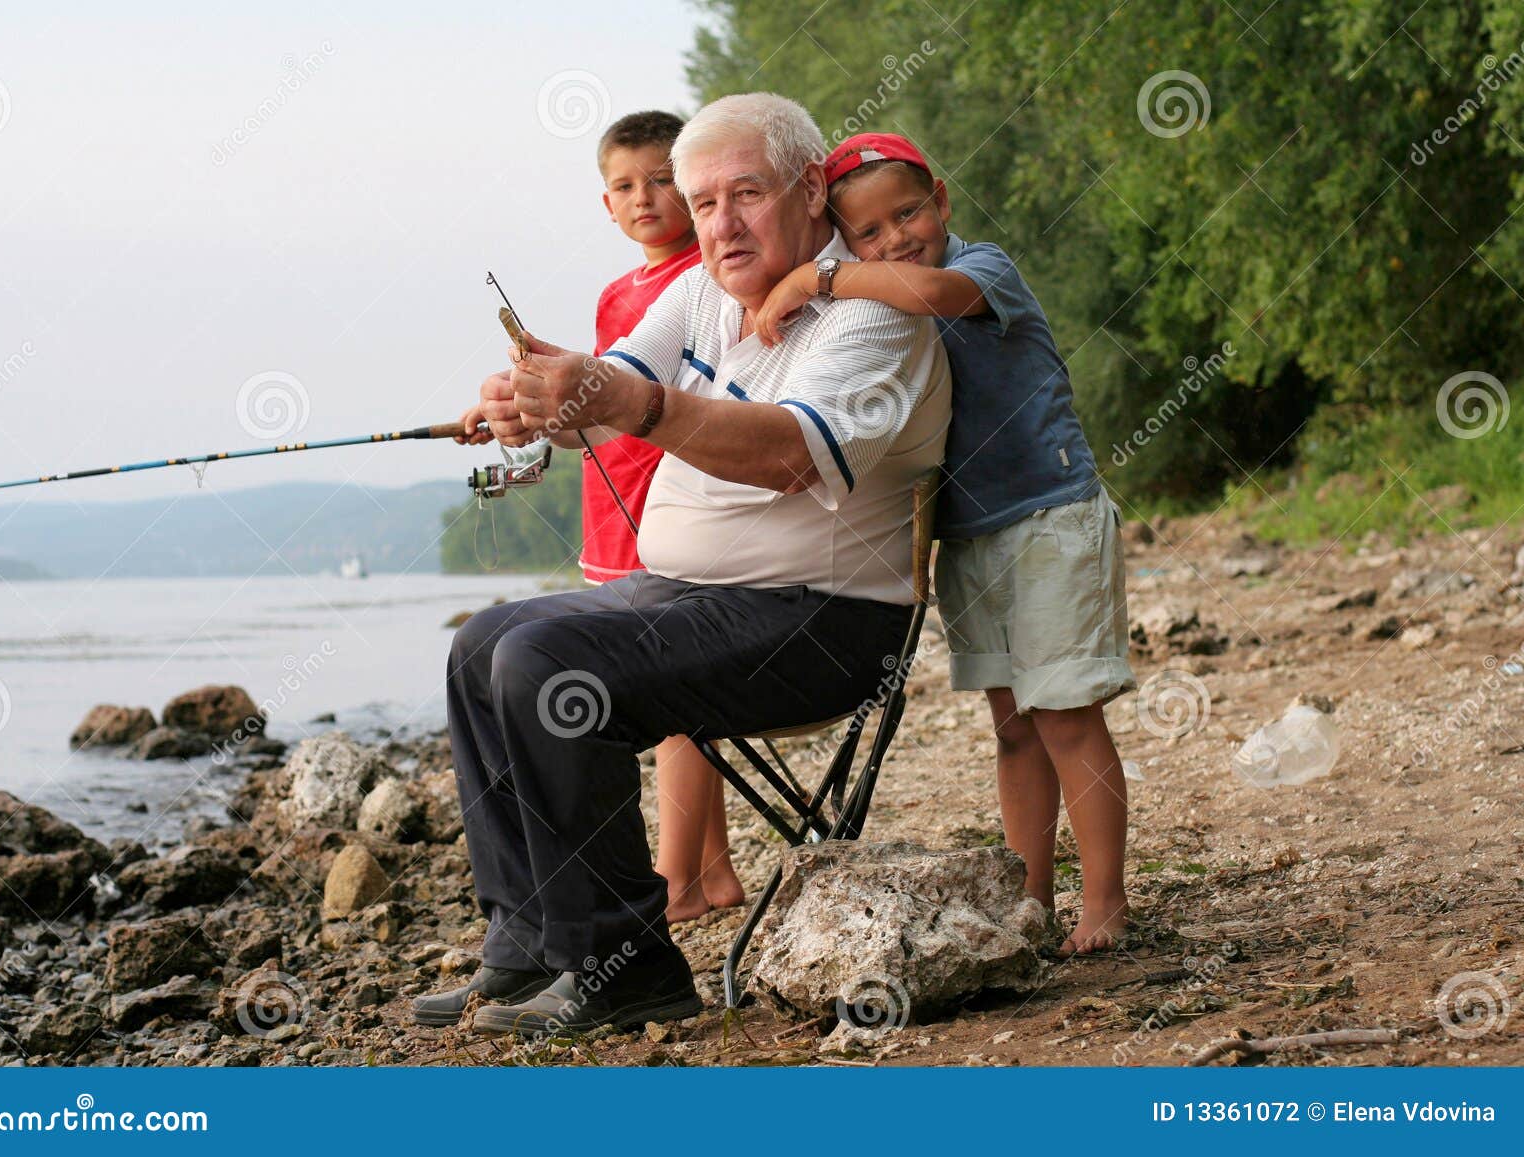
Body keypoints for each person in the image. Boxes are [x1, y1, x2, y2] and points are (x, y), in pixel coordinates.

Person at [411, 94, 950, 1035]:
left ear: (813, 191)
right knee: (483, 642)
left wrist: (633, 404)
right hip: (697, 597)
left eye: (746, 193)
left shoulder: (873, 312)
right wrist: (536, 399)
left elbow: (788, 452)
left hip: (822, 619)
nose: (721, 223)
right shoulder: (701, 290)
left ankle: (627, 970)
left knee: (546, 663)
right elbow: (606, 387)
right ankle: (529, 942)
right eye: (704, 203)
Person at [755, 131, 1136, 957]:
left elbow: (930, 289)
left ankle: (1103, 902)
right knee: (1012, 728)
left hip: (1049, 517)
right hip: (969, 539)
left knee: (1067, 715)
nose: (895, 237)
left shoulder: (980, 268)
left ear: (943, 202)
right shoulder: (870, 315)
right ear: (847, 237)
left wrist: (814, 275)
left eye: (909, 212)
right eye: (868, 232)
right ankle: (1030, 898)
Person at [586, 110, 745, 924]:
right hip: (609, 510)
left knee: (675, 695)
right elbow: (599, 394)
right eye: (624, 186)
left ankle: (674, 877)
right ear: (604, 204)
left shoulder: (709, 277)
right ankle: (714, 871)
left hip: (672, 507)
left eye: (659, 180)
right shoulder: (617, 293)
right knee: (676, 698)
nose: (644, 197)